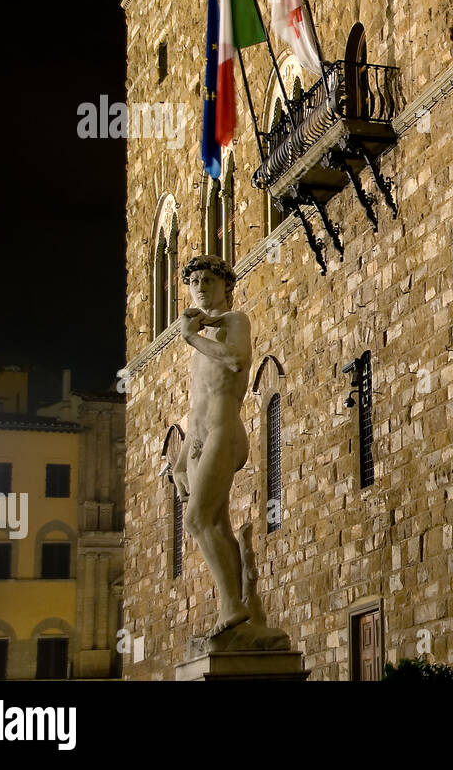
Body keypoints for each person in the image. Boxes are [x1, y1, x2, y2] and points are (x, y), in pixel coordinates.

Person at [173, 254, 253, 638]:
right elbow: (197, 403)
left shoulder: (235, 322)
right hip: (200, 439)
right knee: (217, 524)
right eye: (195, 283)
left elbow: (237, 361)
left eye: (208, 280)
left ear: (226, 287)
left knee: (195, 519)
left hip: (225, 431)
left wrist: (192, 337)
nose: (201, 287)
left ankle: (232, 605)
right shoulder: (201, 342)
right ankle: (242, 607)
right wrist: (180, 457)